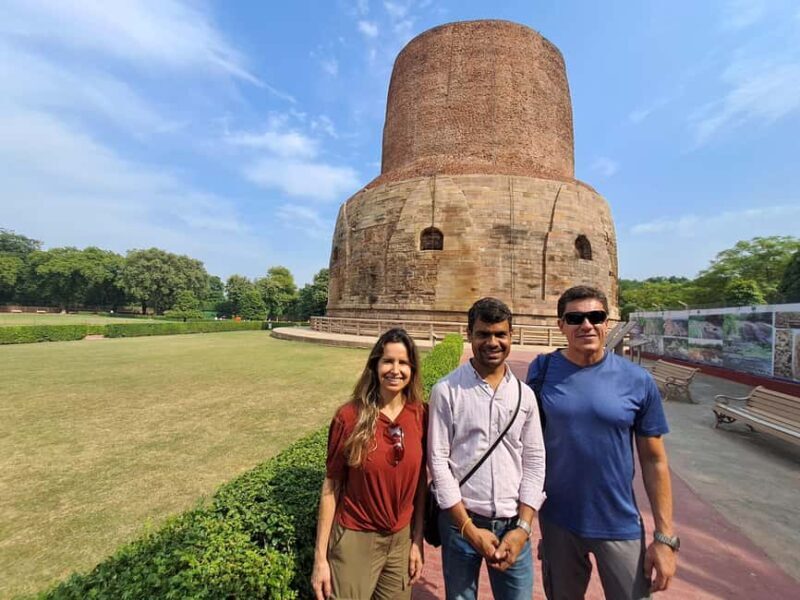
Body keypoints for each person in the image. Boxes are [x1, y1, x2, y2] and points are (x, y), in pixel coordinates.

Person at [526, 285, 678, 600]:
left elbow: (654, 460)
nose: (586, 325)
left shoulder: (637, 380)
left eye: (595, 316)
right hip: (558, 521)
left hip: (618, 521)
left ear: (607, 322)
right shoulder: (541, 372)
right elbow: (529, 447)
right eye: (575, 318)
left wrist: (664, 538)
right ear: (561, 325)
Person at [428, 297, 546, 600]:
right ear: (470, 335)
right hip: (460, 522)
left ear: (511, 337)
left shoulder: (525, 396)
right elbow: (438, 461)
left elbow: (534, 461)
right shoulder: (447, 390)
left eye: (500, 334)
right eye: (483, 334)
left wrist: (523, 528)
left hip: (512, 525)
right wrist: (467, 528)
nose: (492, 342)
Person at [311, 328, 427, 600]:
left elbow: (420, 482)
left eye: (403, 363)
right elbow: (332, 486)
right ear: (374, 365)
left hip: (400, 540)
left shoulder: (421, 414)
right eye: (387, 361)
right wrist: (320, 559)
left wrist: (417, 540)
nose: (395, 370)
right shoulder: (350, 416)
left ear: (412, 368)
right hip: (355, 536)